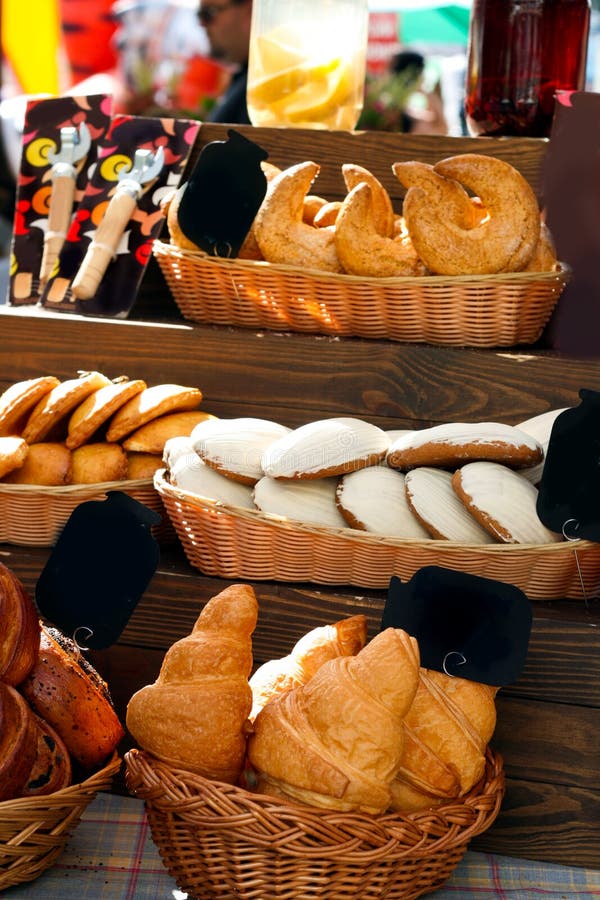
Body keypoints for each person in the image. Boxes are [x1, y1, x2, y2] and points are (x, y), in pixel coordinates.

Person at [198, 0, 253, 124]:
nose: (201, 23)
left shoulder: (269, 85)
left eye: (209, 12)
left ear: (250, 10)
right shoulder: (247, 77)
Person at [389, 50, 448, 135]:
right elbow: (442, 128)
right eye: (422, 73)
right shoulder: (412, 120)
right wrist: (424, 91)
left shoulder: (381, 105)